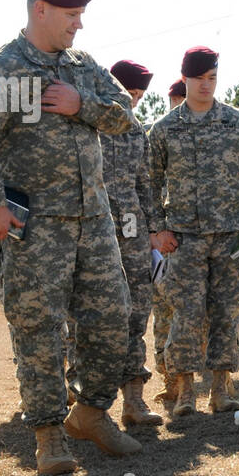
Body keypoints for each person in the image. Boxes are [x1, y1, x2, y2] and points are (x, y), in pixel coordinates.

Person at [0, 0, 141, 475]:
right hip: (35, 226)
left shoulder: (83, 66)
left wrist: (83, 106)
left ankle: (90, 411)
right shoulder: (3, 68)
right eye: (71, 14)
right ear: (40, 8)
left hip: (93, 218)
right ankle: (48, 433)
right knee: (38, 327)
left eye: (82, 14)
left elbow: (125, 114)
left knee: (112, 321)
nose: (78, 25)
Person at [148, 46, 239, 415]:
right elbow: (149, 184)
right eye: (199, 79)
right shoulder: (165, 129)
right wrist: (157, 230)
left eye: (212, 79)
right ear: (185, 78)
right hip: (184, 237)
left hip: (232, 235)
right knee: (185, 311)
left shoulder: (238, 122)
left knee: (227, 308)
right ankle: (185, 391)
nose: (206, 86)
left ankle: (220, 388)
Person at [101, 59, 163, 426]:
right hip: (94, 228)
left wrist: (153, 231)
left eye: (139, 96)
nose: (134, 102)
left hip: (133, 232)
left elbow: (145, 185)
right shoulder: (86, 121)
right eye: (130, 94)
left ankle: (134, 401)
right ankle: (89, 407)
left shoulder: (135, 131)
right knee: (93, 318)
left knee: (138, 311)